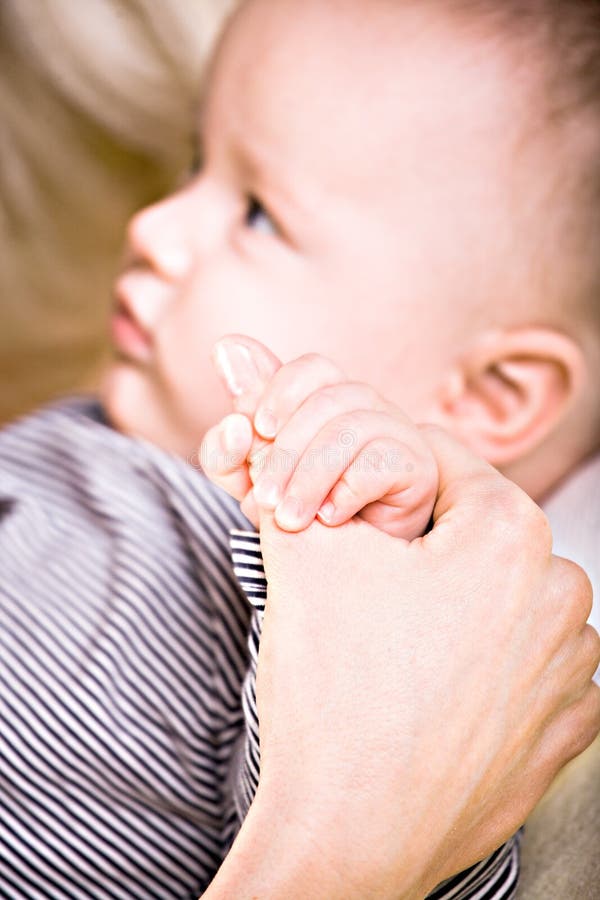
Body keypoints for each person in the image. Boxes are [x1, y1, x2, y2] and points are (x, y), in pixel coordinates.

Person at [1, 0, 599, 896]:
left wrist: (369, 544)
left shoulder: (335, 594)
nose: (152, 227)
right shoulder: (97, 440)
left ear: (488, 394)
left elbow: (424, 833)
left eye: (259, 215)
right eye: (197, 161)